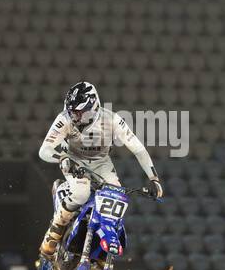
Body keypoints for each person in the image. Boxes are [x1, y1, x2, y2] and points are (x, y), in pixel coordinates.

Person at [36, 81, 163, 258]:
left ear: (93, 107)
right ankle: (55, 229)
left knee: (116, 195)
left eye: (79, 112)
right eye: (72, 111)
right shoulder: (64, 119)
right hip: (74, 160)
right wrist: (63, 158)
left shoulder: (112, 119)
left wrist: (153, 178)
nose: (74, 116)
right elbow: (44, 150)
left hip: (101, 163)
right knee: (81, 192)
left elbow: (137, 148)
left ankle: (98, 247)